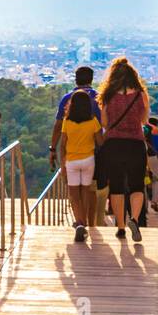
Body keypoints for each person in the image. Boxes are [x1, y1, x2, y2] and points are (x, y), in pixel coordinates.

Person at [97, 56, 149, 243]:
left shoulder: (107, 95)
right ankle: (134, 219)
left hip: (114, 144)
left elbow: (104, 122)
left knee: (117, 187)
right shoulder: (140, 95)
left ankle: (120, 226)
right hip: (135, 143)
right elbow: (143, 121)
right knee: (137, 186)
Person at [58, 90, 102, 243]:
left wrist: (62, 163)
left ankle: (80, 223)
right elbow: (100, 142)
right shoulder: (93, 121)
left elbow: (62, 144)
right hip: (88, 159)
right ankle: (83, 223)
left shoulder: (67, 121)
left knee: (74, 195)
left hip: (72, 160)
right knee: (85, 191)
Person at [49, 66, 100, 171]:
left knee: (73, 184)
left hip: (72, 151)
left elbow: (58, 125)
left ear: (76, 80)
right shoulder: (99, 98)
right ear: (91, 80)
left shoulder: (67, 98)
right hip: (95, 148)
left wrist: (53, 149)